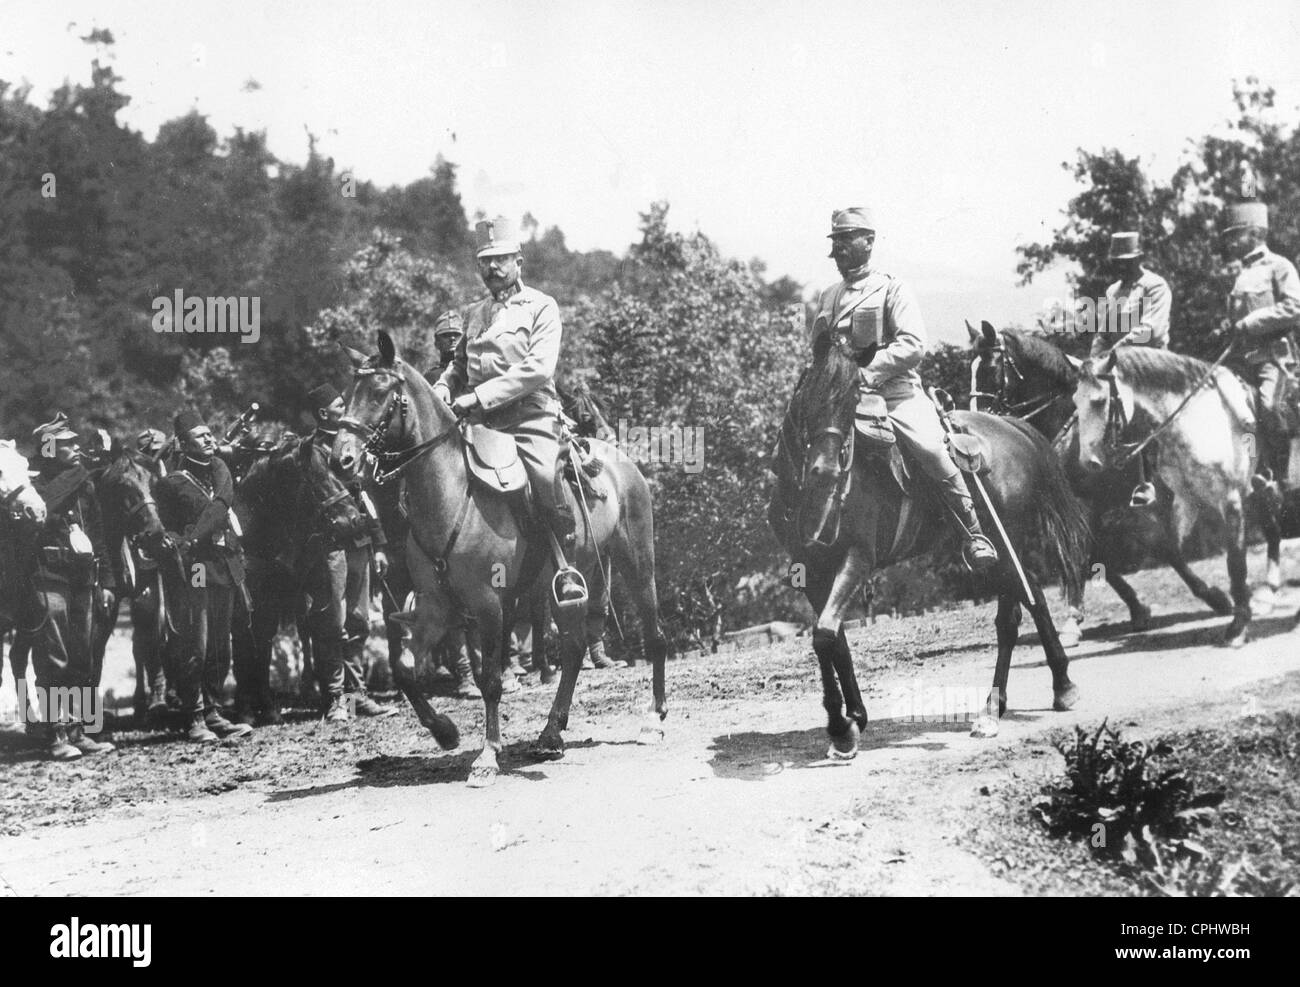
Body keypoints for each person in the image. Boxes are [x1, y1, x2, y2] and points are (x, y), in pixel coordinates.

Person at [809, 206, 997, 571]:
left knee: (929, 448)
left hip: (894, 393)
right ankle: (810, 539)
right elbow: (820, 352)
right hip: (842, 397)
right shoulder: (828, 296)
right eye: (837, 240)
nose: (841, 248)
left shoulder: (892, 288)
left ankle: (973, 532)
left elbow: (913, 345)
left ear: (869, 241)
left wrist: (868, 372)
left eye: (848, 238)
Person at [432, 216, 585, 601]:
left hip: (530, 416)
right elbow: (460, 365)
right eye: (485, 260)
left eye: (501, 258)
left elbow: (537, 369)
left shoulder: (541, 306)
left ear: (519, 260)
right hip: (481, 423)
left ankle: (565, 567)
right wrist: (443, 386)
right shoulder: (473, 313)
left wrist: (477, 397)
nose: (492, 268)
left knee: (543, 476)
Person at [152, 410, 253, 743]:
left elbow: (224, 504)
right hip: (194, 568)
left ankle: (213, 710)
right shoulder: (170, 484)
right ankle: (194, 715)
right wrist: (183, 542)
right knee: (197, 639)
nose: (210, 439)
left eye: (210, 434)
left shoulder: (220, 473)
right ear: (183, 444)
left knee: (220, 644)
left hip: (224, 566)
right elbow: (163, 529)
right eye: (200, 436)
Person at [24, 413, 117, 759]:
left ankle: (80, 730)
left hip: (83, 579)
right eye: (67, 444)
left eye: (76, 443)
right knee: (53, 659)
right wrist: (78, 474)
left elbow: (99, 536)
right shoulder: (32, 481)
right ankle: (54, 733)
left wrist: (107, 580)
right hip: (48, 579)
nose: (77, 448)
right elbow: (43, 506)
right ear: (48, 447)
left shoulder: (84, 484)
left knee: (83, 657)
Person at [304, 383, 396, 721]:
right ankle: (334, 699)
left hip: (359, 544)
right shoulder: (312, 451)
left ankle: (357, 698)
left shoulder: (351, 445)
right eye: (341, 406)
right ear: (323, 414)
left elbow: (365, 498)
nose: (347, 411)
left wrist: (380, 544)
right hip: (331, 545)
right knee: (334, 623)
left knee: (359, 622)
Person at [1221, 200, 1300, 497]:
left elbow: (1295, 307)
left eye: (1235, 235)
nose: (1230, 242)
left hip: (1273, 359)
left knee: (1269, 407)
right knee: (1234, 412)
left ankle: (1283, 477)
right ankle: (1254, 472)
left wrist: (1251, 322)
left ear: (1255, 234)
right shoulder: (1240, 275)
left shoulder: (1279, 266)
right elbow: (1236, 319)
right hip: (1241, 360)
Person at [1090, 231, 1173, 506]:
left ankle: (1147, 481)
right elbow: (1103, 332)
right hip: (1115, 366)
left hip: (1150, 362)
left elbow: (1151, 329)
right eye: (1117, 262)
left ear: (1138, 258)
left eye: (1126, 261)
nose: (1121, 266)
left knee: (1141, 411)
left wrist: (1115, 350)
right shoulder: (1113, 291)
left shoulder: (1155, 286)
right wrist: (1094, 362)